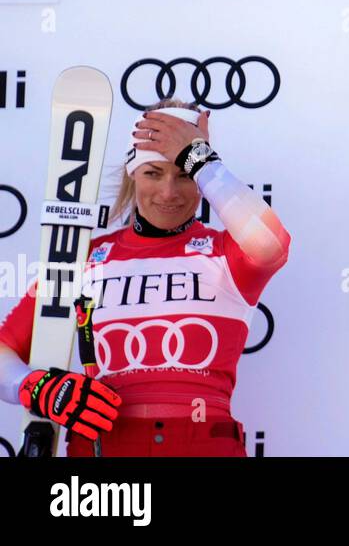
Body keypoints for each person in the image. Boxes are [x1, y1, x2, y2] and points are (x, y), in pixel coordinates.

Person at [0, 100, 290, 456]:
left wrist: (202, 162)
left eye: (184, 175)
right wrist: (35, 386)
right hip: (105, 445)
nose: (169, 192)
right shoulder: (84, 257)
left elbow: (272, 243)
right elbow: (4, 350)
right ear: (132, 173)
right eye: (153, 173)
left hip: (201, 443)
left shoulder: (226, 254)